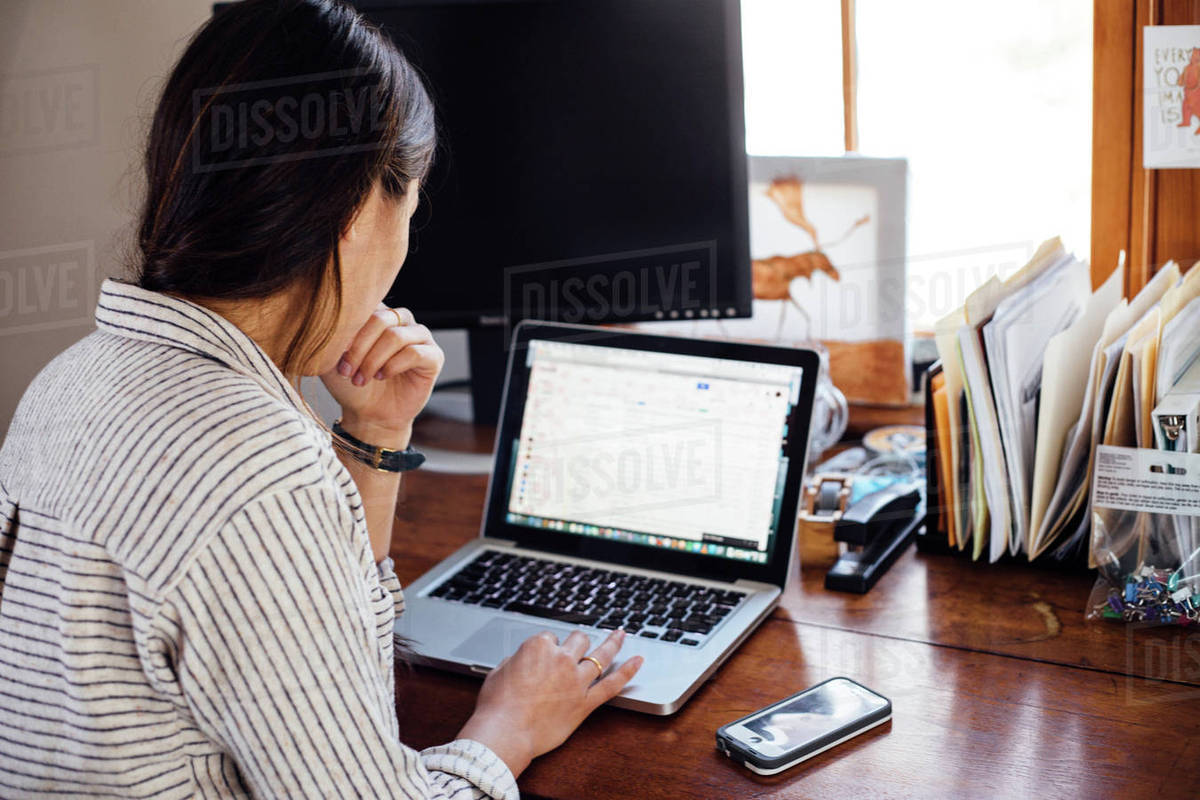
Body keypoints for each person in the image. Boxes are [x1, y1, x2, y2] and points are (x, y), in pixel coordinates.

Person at [0, 1, 642, 797]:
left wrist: (374, 431)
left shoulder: (71, 381)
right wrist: (506, 726)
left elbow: (333, 683)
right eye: (409, 211)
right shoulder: (259, 469)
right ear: (352, 211)